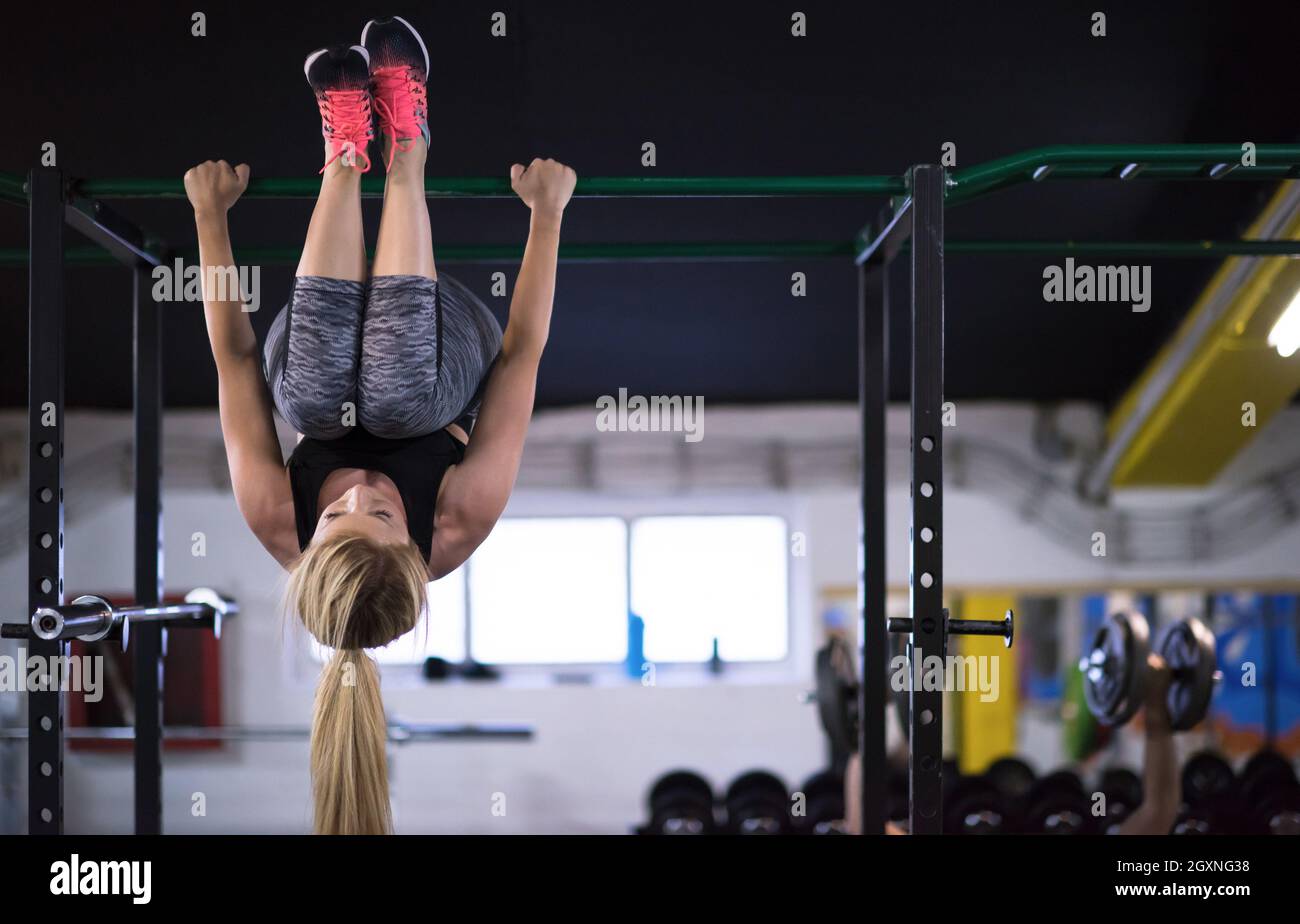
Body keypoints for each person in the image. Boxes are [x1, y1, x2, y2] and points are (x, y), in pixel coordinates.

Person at [183, 15, 576, 834]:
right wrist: (546, 214)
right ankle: (407, 152)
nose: (359, 486)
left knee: (312, 403)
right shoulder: (460, 520)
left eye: (333, 513)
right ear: (417, 544)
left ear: (304, 546)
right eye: (387, 511)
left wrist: (210, 219)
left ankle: (345, 153)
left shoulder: (270, 516)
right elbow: (522, 357)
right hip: (446, 349)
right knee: (399, 404)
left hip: (320, 356)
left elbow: (233, 359)